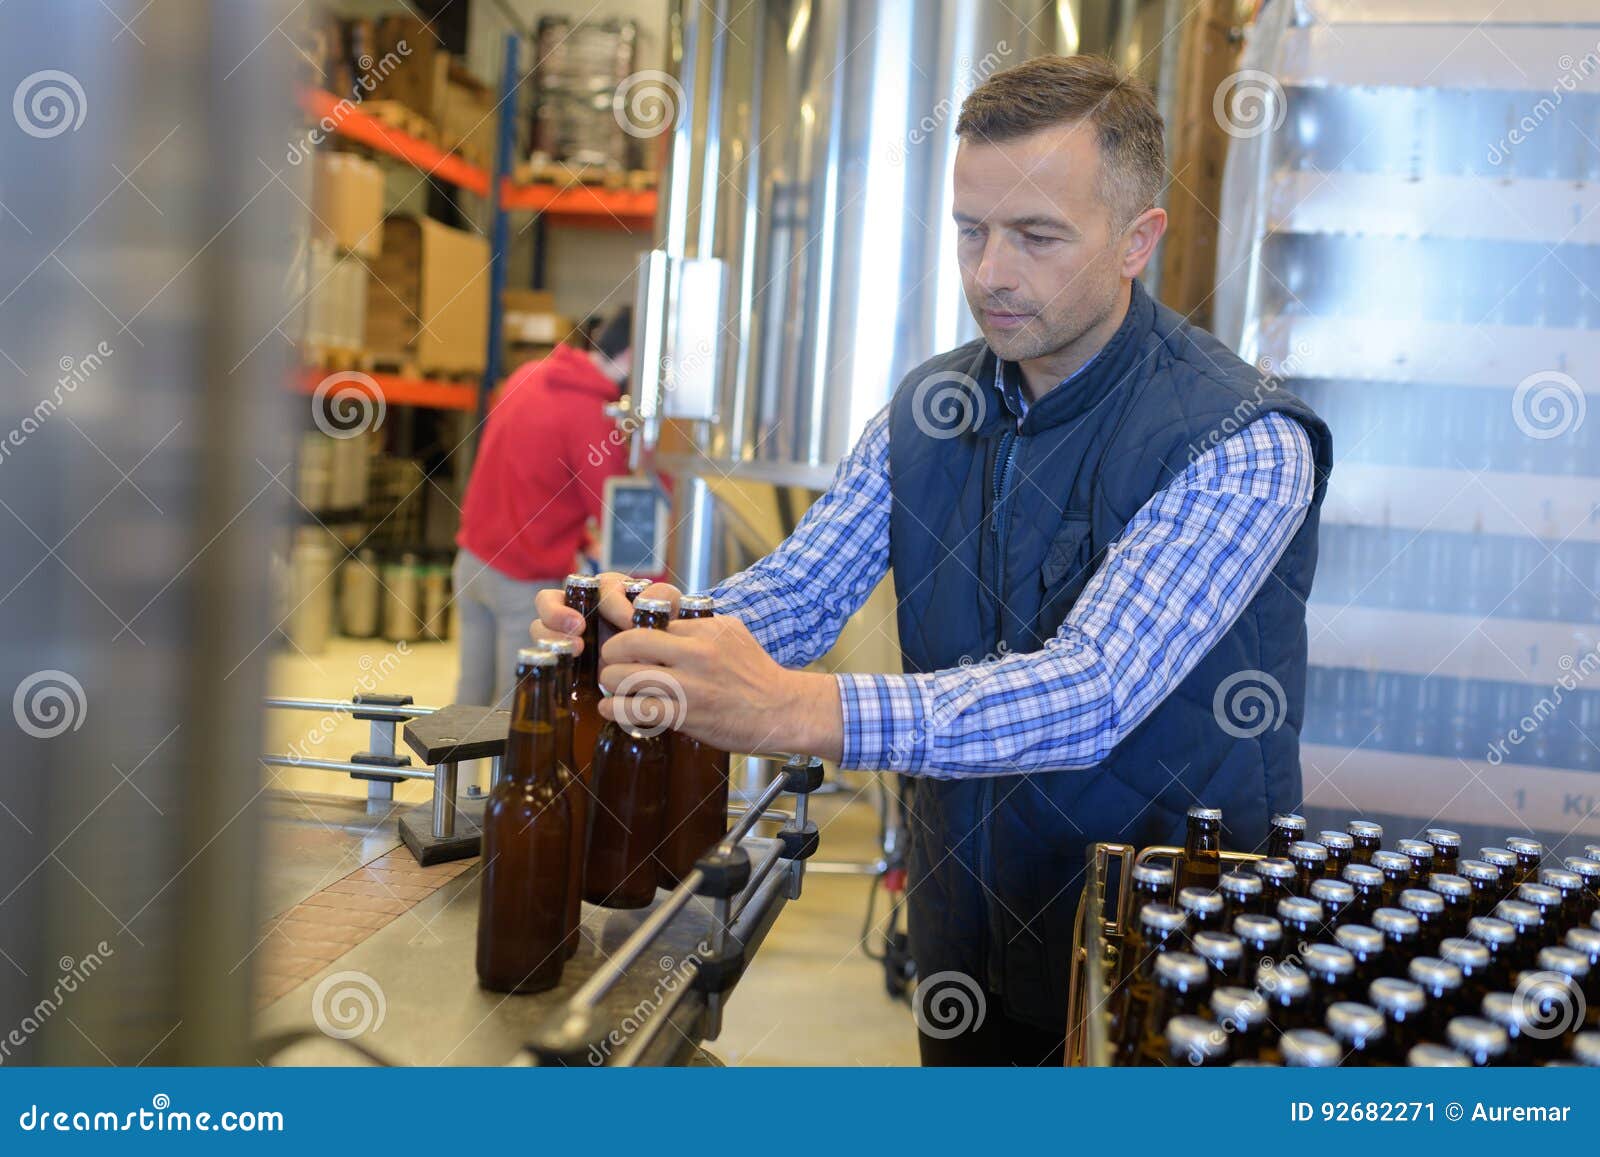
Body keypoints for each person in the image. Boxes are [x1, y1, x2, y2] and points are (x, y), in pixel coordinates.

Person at [532, 57, 1333, 1065]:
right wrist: (653, 626)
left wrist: (795, 710)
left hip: (1162, 956)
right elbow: (799, 591)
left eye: (1036, 236)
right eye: (969, 229)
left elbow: (1093, 689)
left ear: (1137, 239)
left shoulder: (1240, 437)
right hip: (966, 936)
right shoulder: (929, 410)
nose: (990, 271)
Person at [453, 307, 631, 709]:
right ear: (631, 356)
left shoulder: (528, 374)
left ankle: (457, 757)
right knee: (517, 713)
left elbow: (527, 473)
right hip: (523, 584)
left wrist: (580, 538)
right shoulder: (591, 414)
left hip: (471, 564)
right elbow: (619, 517)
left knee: (467, 708)